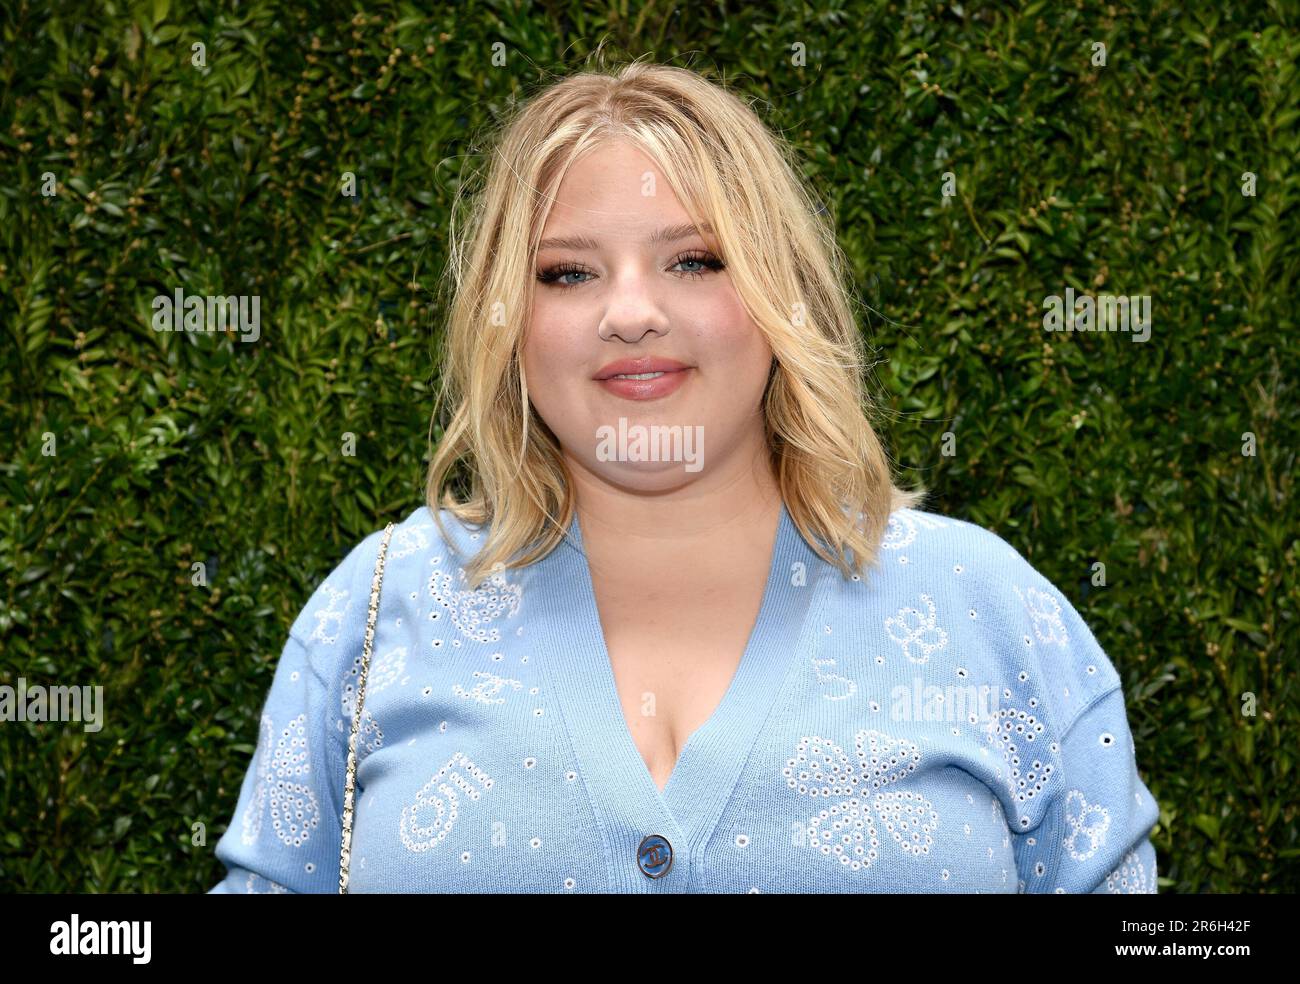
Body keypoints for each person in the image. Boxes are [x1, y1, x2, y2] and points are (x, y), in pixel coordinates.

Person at [209, 60, 1158, 893]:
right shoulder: (378, 607)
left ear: (782, 295)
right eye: (567, 274)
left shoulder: (986, 609)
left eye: (696, 260)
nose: (630, 312)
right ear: (505, 322)